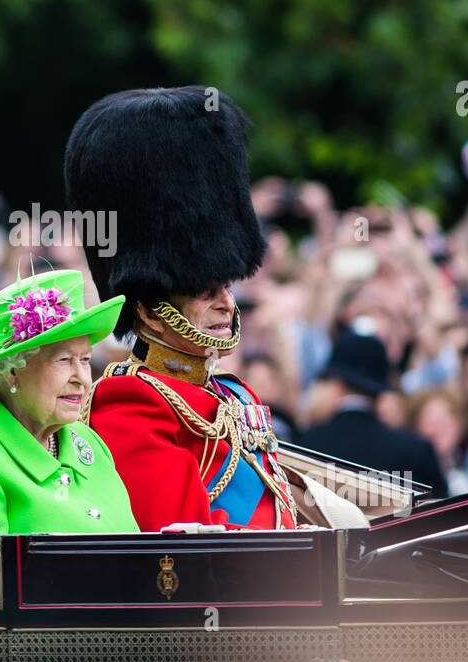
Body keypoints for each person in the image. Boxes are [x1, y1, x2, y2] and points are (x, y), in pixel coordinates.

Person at [65, 86, 301, 532]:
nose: (226, 302)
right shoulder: (130, 404)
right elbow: (187, 551)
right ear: (152, 310)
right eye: (203, 289)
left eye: (226, 284)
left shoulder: (233, 395)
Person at [0, 270, 138, 533]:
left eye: (85, 360)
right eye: (63, 360)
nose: (82, 378)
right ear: (12, 371)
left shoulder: (88, 440)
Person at [298, 332, 449, 496]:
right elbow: (443, 514)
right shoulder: (415, 450)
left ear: (337, 384)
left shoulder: (305, 446)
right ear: (379, 390)